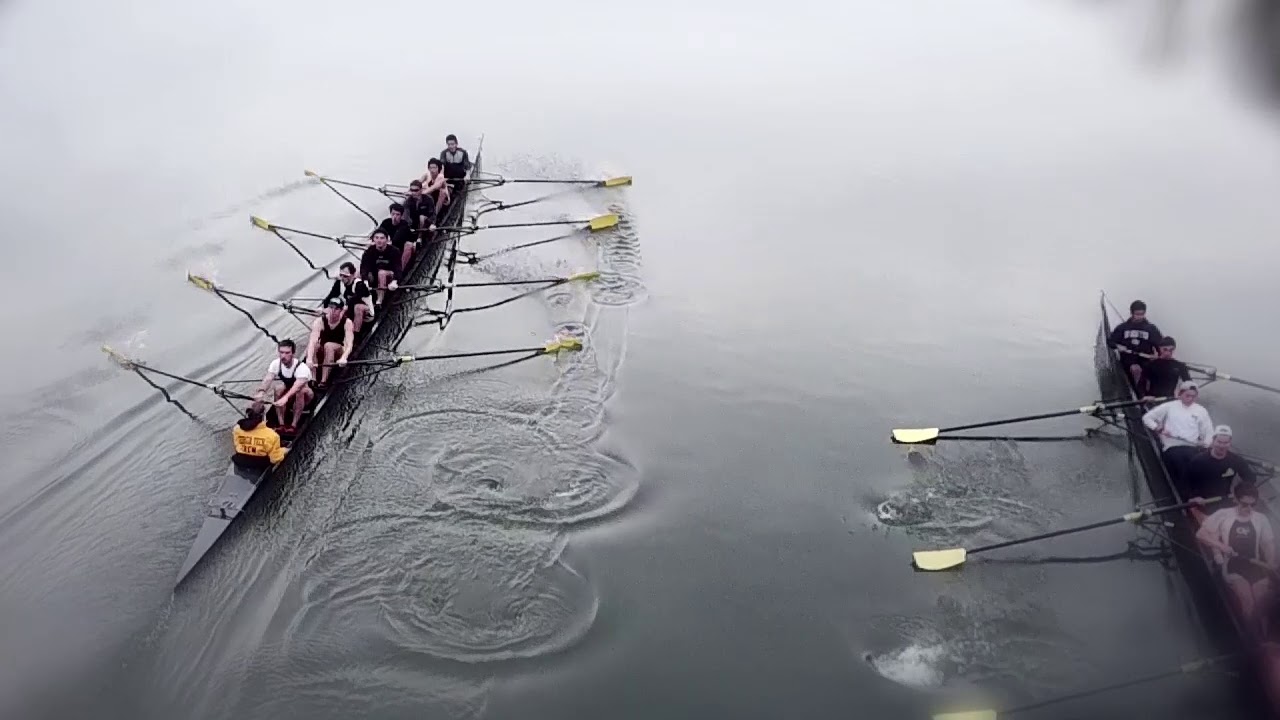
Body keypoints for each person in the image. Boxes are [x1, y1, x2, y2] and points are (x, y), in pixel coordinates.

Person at [1197, 482, 1275, 630]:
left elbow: (1268, 543)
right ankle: (1254, 639)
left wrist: (1270, 563)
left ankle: (1265, 637)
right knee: (1248, 602)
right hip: (1232, 566)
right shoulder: (1223, 514)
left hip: (1256, 565)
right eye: (1244, 504)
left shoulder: (1261, 518)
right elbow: (1200, 534)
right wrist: (1222, 547)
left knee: (1261, 603)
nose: (1249, 509)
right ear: (1235, 500)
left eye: (1253, 505)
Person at [1142, 380, 1213, 486]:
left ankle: (1196, 491)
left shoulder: (1201, 411)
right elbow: (1146, 418)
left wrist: (1206, 444)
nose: (1190, 399)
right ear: (1180, 394)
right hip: (1172, 447)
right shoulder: (1169, 406)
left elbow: (1209, 431)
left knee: (1201, 467)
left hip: (1192, 447)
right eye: (1187, 395)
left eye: (1193, 396)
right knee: (1182, 467)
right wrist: (1158, 428)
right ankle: (1186, 493)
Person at [1187, 425, 1258, 514]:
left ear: (1230, 443)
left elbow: (1250, 478)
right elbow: (1186, 483)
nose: (1222, 446)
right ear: (1213, 441)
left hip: (1225, 499)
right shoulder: (1198, 461)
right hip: (1202, 502)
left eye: (1225, 443)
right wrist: (1194, 497)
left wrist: (1239, 493)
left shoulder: (1236, 460)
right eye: (1219, 442)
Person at [252, 339, 313, 434]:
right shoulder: (276, 364)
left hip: (307, 396)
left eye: (287, 353)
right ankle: (281, 424)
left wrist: (285, 398)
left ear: (293, 353)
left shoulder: (302, 368)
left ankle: (294, 425)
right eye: (281, 352)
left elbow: (296, 387)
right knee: (277, 388)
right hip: (290, 393)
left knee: (300, 391)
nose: (283, 356)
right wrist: (261, 392)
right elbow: (268, 378)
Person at [1108, 300, 1164, 387]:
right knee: (1136, 369)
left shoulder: (1151, 328)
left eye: (1142, 314)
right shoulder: (1122, 328)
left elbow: (1160, 345)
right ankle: (1139, 394)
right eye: (1137, 314)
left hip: (1146, 359)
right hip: (1128, 360)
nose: (1140, 317)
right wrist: (1118, 346)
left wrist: (1159, 356)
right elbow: (1110, 341)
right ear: (1132, 313)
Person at [306, 297, 354, 388]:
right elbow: (312, 342)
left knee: (329, 346)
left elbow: (349, 344)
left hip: (338, 352)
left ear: (341, 310)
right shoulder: (319, 321)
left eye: (336, 309)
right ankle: (313, 379)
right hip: (324, 350)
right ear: (327, 308)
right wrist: (309, 359)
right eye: (331, 308)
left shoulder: (347, 322)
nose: (333, 311)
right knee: (313, 346)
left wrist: (344, 357)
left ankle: (324, 381)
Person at [232, 402, 288, 468]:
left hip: (240, 461)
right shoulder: (273, 435)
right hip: (260, 464)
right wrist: (284, 450)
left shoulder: (236, 430)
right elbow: (274, 459)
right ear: (264, 415)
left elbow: (236, 446)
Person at [323, 262, 375, 333]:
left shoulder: (360, 285)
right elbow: (331, 295)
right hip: (350, 311)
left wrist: (343, 309)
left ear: (353, 275)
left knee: (358, 307)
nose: (342, 278)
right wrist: (324, 307)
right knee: (333, 308)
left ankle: (355, 333)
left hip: (367, 314)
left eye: (345, 276)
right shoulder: (339, 283)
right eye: (341, 275)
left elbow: (354, 299)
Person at [358, 228, 401, 306]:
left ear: (387, 240)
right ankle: (361, 298)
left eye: (382, 238)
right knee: (358, 274)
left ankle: (379, 301)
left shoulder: (394, 251)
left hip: (389, 275)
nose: (379, 240)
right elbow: (364, 267)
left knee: (381, 273)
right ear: (373, 239)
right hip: (375, 275)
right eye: (376, 238)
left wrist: (395, 281)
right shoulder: (369, 251)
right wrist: (365, 280)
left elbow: (398, 268)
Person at [1142, 335, 1191, 401]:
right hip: (1153, 400)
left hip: (1170, 400)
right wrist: (1145, 396)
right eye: (1165, 349)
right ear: (1159, 348)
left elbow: (1189, 383)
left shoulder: (1180, 366)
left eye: (1171, 350)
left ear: (1174, 349)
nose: (1168, 353)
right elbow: (1141, 385)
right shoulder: (1150, 365)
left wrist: (1186, 393)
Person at [377, 203, 416, 277]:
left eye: (397, 215)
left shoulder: (404, 225)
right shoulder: (386, 222)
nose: (394, 217)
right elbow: (378, 233)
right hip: (386, 248)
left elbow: (396, 239)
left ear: (401, 216)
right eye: (393, 214)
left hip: (399, 251)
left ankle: (399, 273)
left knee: (409, 246)